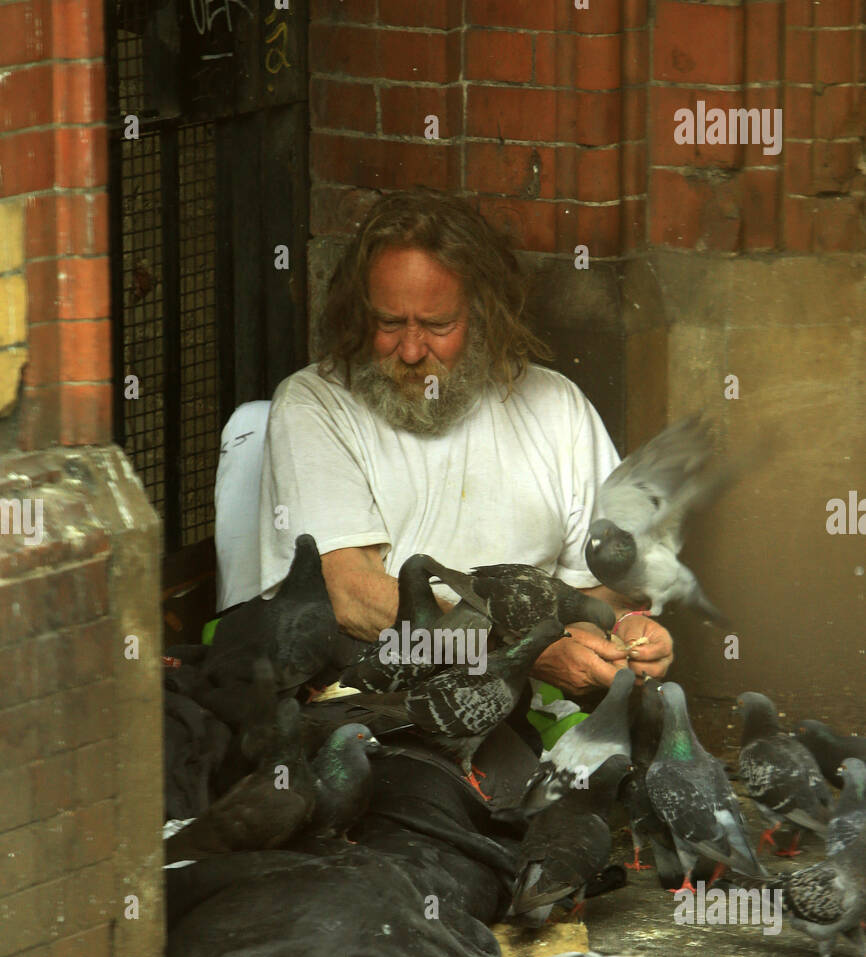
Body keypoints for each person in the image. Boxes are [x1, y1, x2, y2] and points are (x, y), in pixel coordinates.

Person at [259, 188, 673, 696]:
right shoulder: (312, 405)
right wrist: (522, 651)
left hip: (534, 692)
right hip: (385, 688)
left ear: (483, 315)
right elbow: (351, 596)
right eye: (388, 323)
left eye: (437, 326)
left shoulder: (554, 405)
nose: (410, 350)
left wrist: (627, 633)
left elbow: (599, 593)